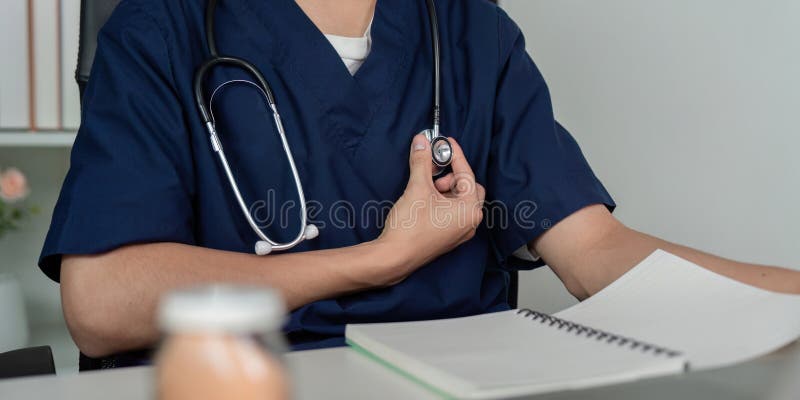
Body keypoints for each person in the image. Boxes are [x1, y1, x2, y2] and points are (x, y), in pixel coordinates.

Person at [40, 0, 799, 367]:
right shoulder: (162, 28)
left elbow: (594, 249)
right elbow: (104, 304)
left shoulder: (467, 31)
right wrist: (381, 258)